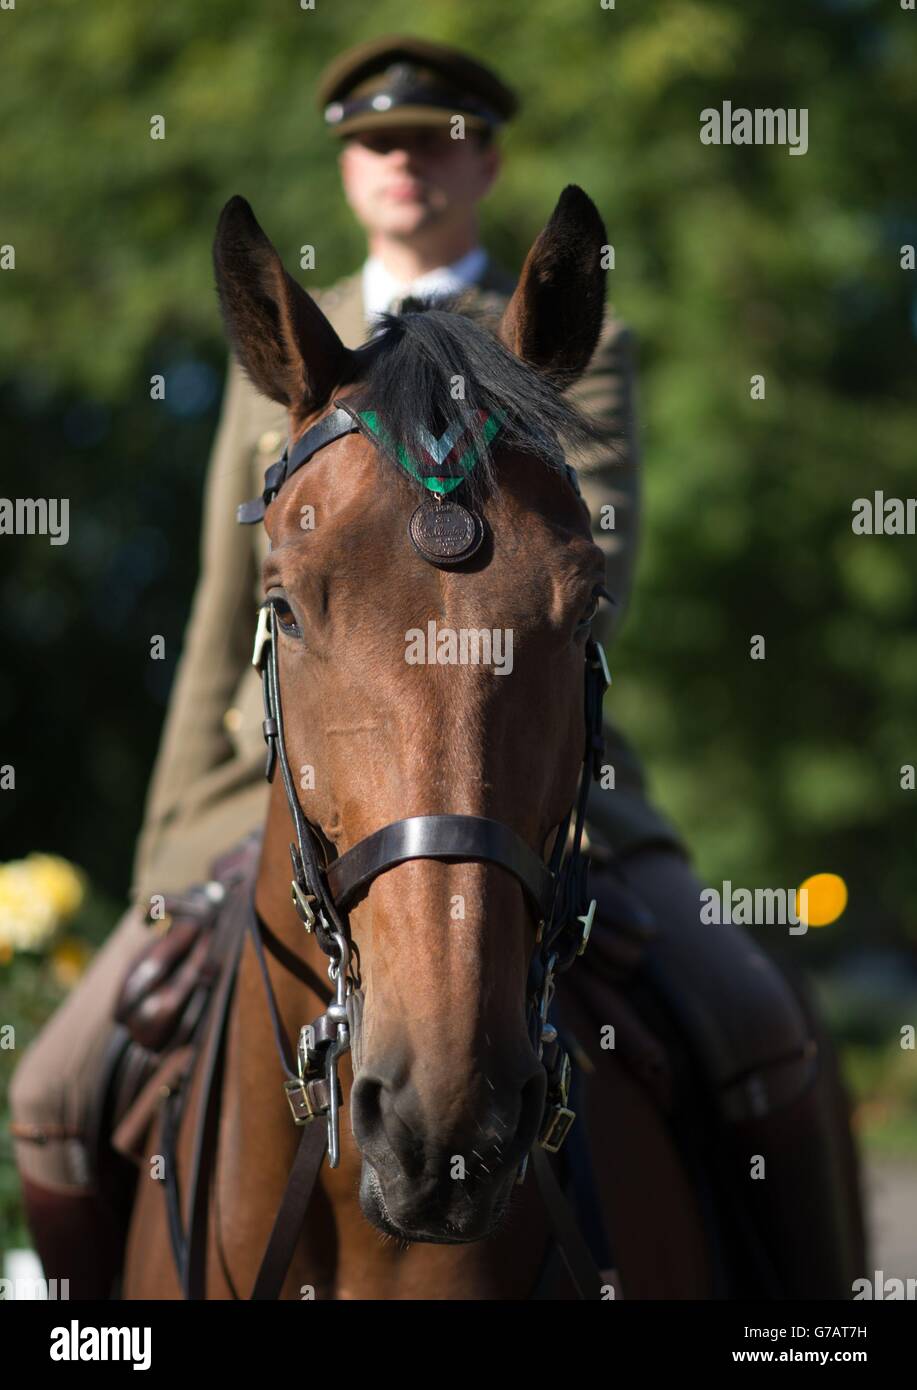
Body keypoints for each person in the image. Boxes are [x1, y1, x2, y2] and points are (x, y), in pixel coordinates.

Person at [10, 35, 860, 1298]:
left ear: (484, 161)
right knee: (56, 1086)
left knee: (750, 1017)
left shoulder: (574, 345)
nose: (404, 162)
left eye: (433, 139)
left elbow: (585, 581)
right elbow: (213, 627)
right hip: (271, 790)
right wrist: (169, 851)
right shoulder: (280, 357)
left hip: (525, 764)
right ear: (348, 170)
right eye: (375, 142)